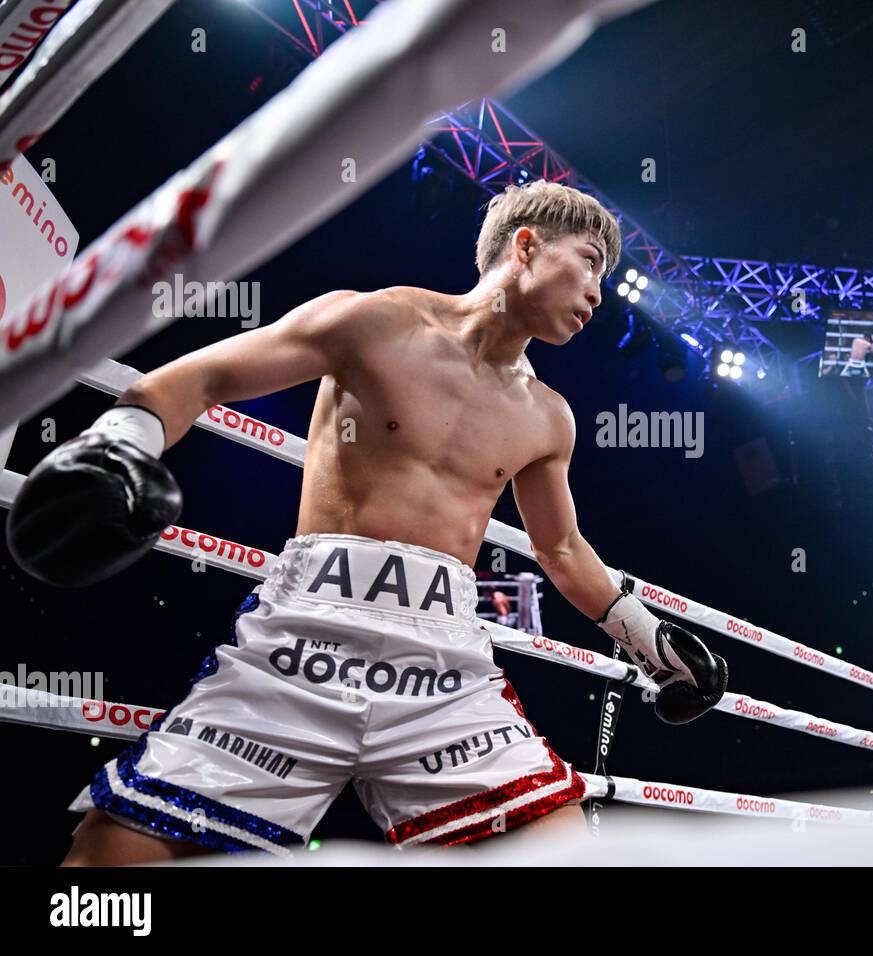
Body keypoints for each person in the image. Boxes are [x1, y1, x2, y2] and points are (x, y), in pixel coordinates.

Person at [7, 181, 727, 861]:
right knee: (108, 868)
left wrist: (648, 637)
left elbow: (560, 545)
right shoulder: (375, 321)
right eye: (591, 263)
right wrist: (117, 447)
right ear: (528, 246)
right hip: (302, 647)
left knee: (569, 858)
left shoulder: (548, 417)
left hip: (443, 667)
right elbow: (197, 378)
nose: (599, 294)